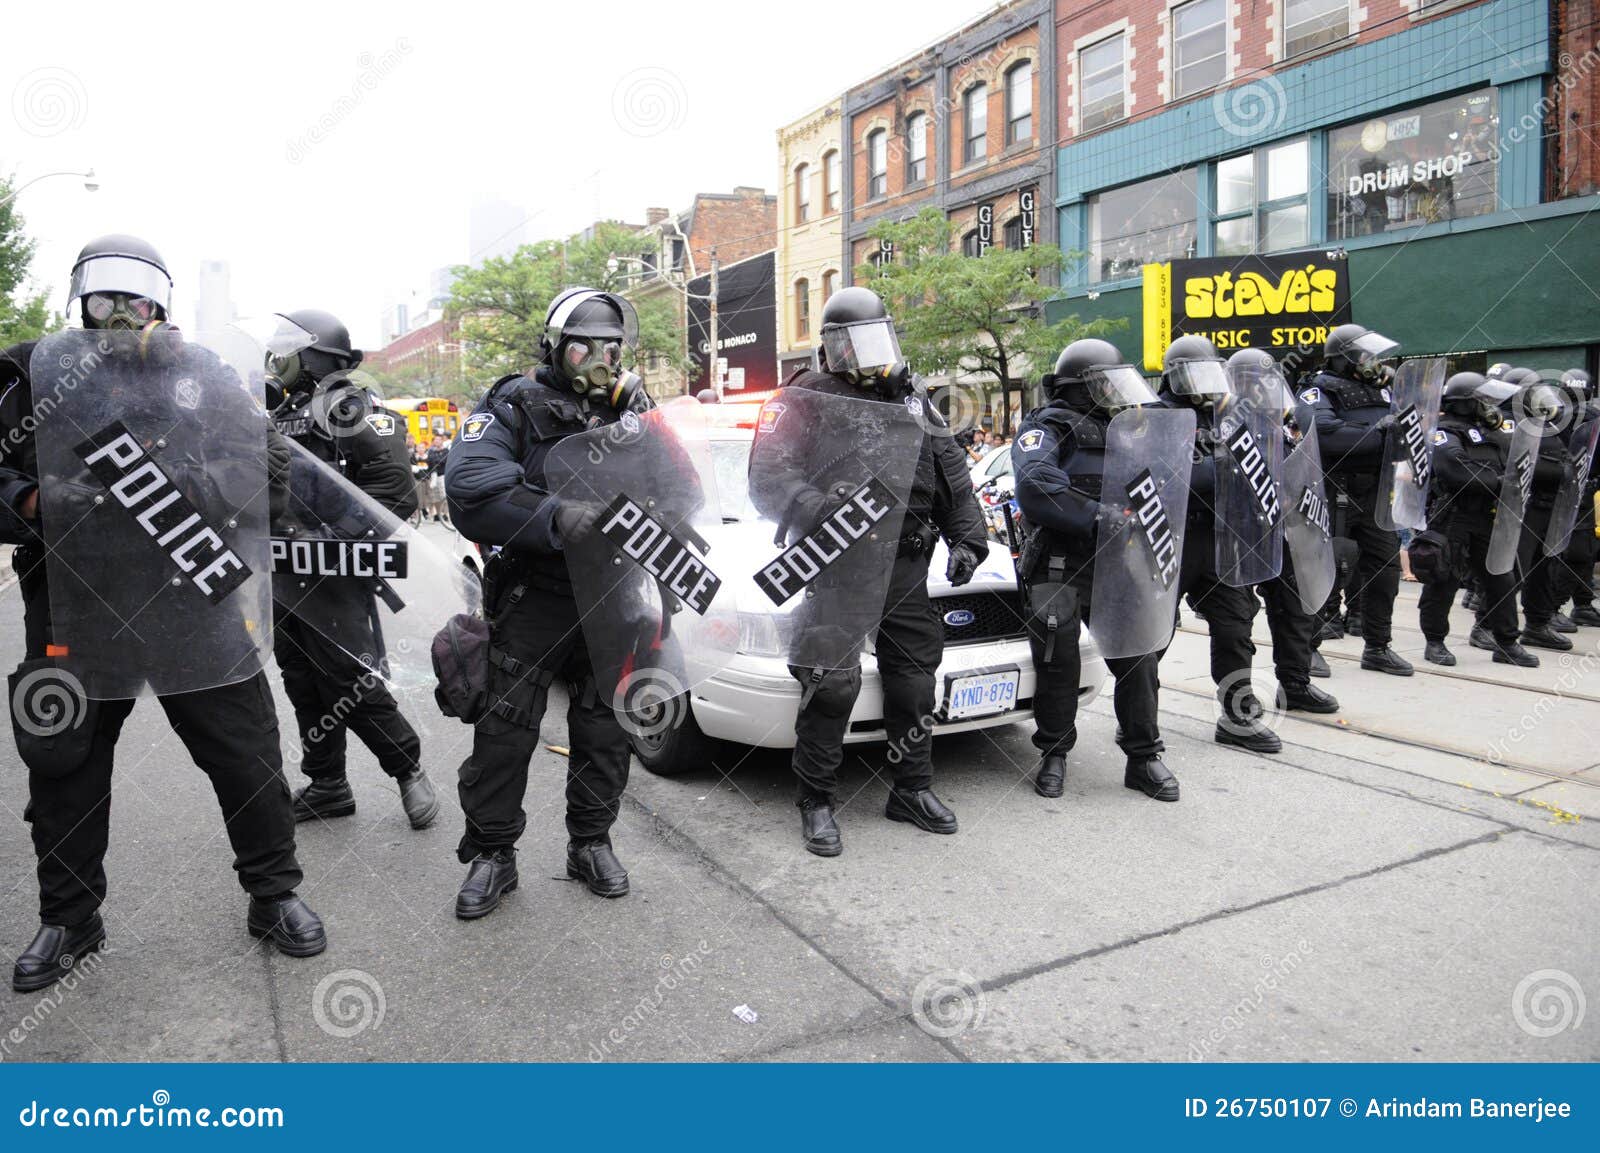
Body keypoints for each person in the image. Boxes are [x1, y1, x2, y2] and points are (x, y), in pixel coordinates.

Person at [0, 235, 325, 990]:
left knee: (245, 752)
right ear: (79, 299)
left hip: (190, 592)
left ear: (162, 306)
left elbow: (264, 467)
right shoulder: (24, 369)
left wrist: (194, 482)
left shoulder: (201, 371)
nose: (120, 313)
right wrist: (32, 499)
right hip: (72, 604)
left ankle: (274, 893)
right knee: (63, 761)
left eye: (136, 300)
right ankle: (70, 916)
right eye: (105, 299)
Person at [747, 287, 987, 856]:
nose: (868, 356)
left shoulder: (913, 401)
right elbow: (767, 479)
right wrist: (814, 504)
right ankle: (817, 800)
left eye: (876, 341)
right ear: (830, 349)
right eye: (854, 344)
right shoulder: (799, 400)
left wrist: (969, 541)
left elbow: (954, 479)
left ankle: (911, 788)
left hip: (906, 561)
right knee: (831, 684)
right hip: (838, 561)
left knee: (914, 679)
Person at [444, 287, 655, 915]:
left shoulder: (633, 413)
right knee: (505, 732)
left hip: (612, 596)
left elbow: (683, 491)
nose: (602, 358)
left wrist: (648, 436)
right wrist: (556, 515)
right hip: (535, 594)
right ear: (556, 347)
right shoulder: (512, 404)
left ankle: (590, 842)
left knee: (604, 727)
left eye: (613, 347)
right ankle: (492, 853)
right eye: (586, 345)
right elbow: (470, 487)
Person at [266, 308, 440, 829]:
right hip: (281, 573)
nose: (278, 356)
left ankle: (407, 768)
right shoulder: (279, 412)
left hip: (333, 575)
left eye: (289, 346)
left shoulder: (352, 409)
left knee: (348, 680)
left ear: (315, 355)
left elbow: (394, 492)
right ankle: (328, 784)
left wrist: (328, 541)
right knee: (300, 678)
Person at [1013, 339, 1181, 802]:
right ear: (1084, 388)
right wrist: (1098, 514)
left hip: (1122, 563)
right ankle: (1053, 754)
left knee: (1139, 658)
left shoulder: (1131, 430)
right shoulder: (1047, 428)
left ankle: (1143, 758)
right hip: (1062, 562)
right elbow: (1035, 486)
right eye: (1107, 382)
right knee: (1058, 661)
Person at [1159, 335, 1281, 753]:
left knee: (1235, 628)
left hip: (1222, 539)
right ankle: (1137, 718)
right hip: (1169, 539)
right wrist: (1226, 470)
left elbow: (1261, 471)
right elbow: (1174, 480)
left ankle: (1238, 715)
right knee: (1153, 634)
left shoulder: (1230, 417)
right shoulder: (1154, 418)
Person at [1223, 348, 1338, 716]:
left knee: (1294, 609)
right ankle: (1239, 697)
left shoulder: (1283, 423)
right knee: (1236, 620)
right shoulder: (1221, 420)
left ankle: (1296, 684)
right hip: (1236, 533)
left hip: (1280, 529)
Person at [1303, 324, 1414, 675]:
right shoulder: (1316, 390)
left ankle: (1378, 646)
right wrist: (1379, 434)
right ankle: (1306, 648)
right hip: (1334, 491)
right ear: (1344, 359)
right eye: (1365, 355)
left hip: (1376, 492)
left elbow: (1408, 436)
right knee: (1324, 570)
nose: (1373, 362)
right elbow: (1325, 437)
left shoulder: (1382, 392)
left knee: (1385, 569)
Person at [1415, 372, 1538, 667]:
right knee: (1444, 578)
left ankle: (1507, 642)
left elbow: (1517, 461)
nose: (1490, 406)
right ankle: (1435, 641)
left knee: (1501, 577)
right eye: (1483, 400)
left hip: (1488, 515)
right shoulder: (1443, 431)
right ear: (1466, 404)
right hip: (1453, 516)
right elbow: (1456, 469)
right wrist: (1499, 481)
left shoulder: (1492, 432)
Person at [1553, 369, 1600, 626]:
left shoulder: (1553, 415)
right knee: (1579, 551)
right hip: (1579, 491)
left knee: (1582, 549)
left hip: (1564, 489)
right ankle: (1552, 607)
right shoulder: (1592, 417)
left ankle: (1582, 603)